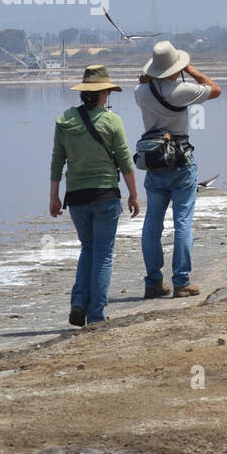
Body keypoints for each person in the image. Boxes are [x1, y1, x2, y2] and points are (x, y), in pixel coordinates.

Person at [50, 65, 140, 326]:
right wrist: (134, 195)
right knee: (103, 253)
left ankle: (78, 302)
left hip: (76, 198)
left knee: (87, 249)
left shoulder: (64, 120)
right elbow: (124, 161)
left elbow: (57, 161)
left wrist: (54, 197)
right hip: (105, 197)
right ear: (104, 94)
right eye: (107, 93)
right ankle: (97, 314)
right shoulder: (112, 121)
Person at [134, 41, 222, 299]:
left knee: (152, 224)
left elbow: (142, 84)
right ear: (177, 66)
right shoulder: (182, 90)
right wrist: (191, 70)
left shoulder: (141, 93)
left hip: (153, 162)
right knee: (182, 222)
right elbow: (215, 90)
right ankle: (181, 281)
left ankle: (153, 282)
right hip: (181, 160)